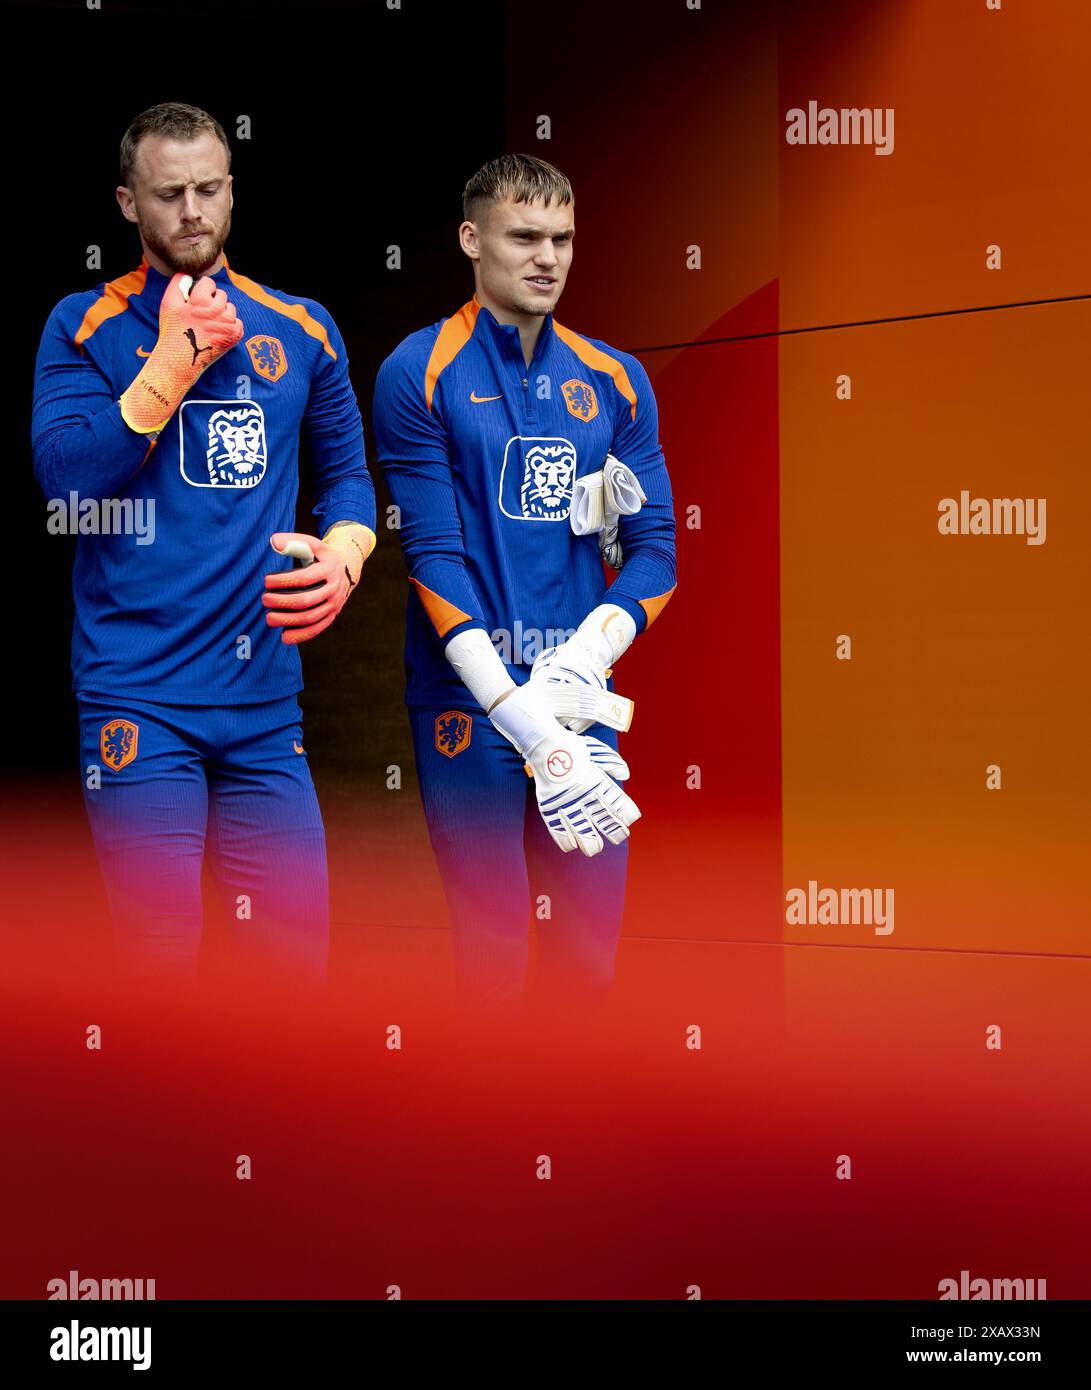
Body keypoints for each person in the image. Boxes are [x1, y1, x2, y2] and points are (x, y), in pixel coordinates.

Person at [31, 102, 376, 984]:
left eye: (209, 189)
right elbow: (68, 487)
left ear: (232, 190)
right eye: (169, 192)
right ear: (126, 203)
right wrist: (171, 364)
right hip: (136, 696)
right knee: (160, 967)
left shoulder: (301, 328)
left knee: (295, 963)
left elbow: (346, 479)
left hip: (265, 705)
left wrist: (346, 553)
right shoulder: (83, 323)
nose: (192, 210)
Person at [373, 153, 676, 1015]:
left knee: (589, 957)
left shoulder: (615, 379)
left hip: (577, 693)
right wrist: (514, 708)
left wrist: (588, 654)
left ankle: (574, 1138)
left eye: (563, 239)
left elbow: (657, 550)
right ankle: (490, 1141)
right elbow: (432, 555)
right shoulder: (417, 369)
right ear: (472, 241)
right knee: (493, 951)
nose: (547, 257)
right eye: (524, 237)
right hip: (469, 703)